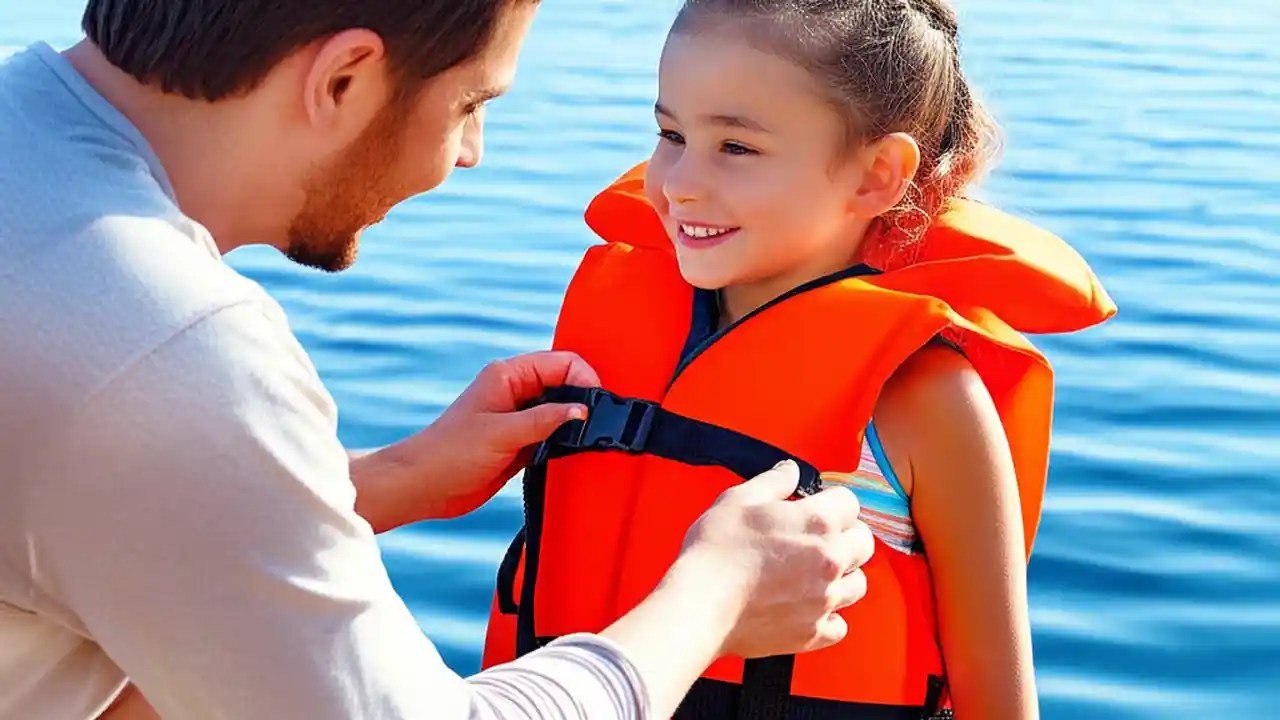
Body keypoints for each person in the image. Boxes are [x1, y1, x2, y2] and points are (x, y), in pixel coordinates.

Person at [0, 1, 880, 718]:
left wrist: (391, 477)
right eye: (470, 106)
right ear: (343, 79)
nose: (470, 154)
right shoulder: (170, 345)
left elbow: (83, 490)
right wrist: (717, 595)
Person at [480, 1, 1117, 718]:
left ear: (879, 174)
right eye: (671, 134)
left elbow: (998, 696)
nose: (680, 181)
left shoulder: (926, 398)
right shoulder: (606, 335)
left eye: (736, 148)